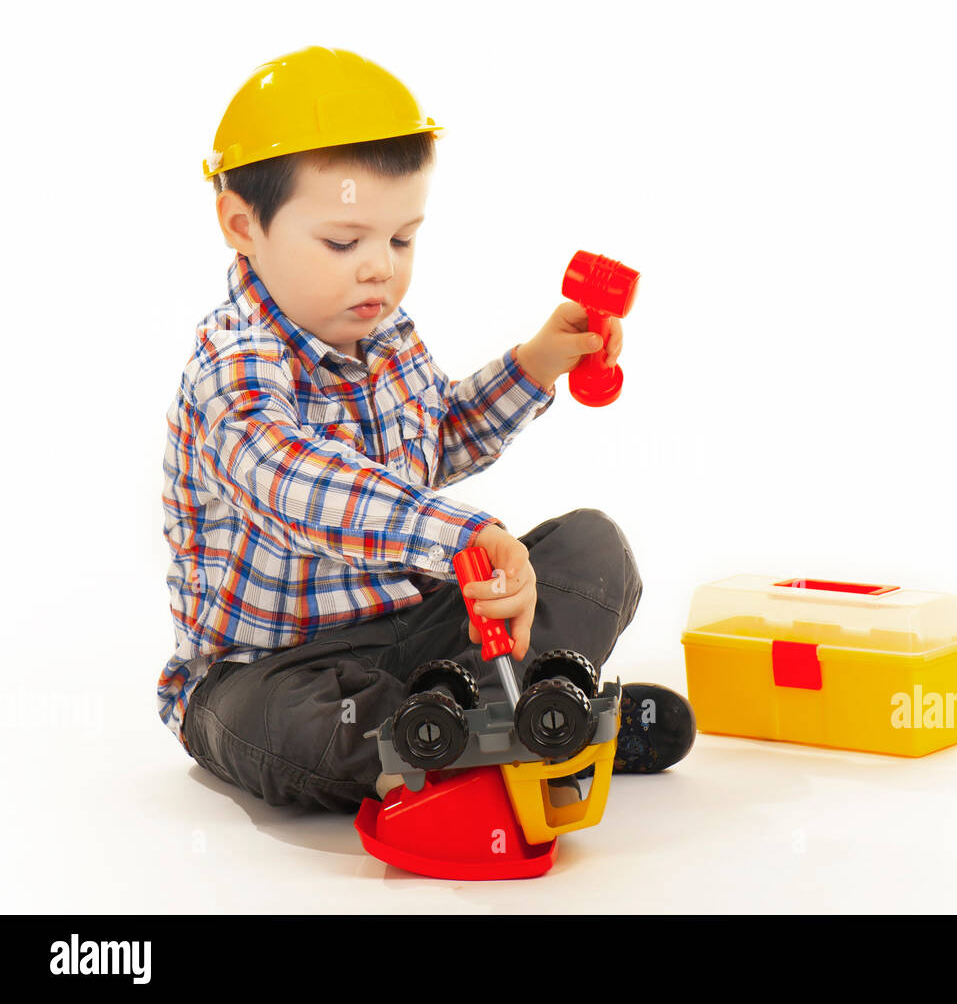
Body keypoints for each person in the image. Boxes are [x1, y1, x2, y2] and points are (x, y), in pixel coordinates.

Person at [159, 46, 695, 814]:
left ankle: (510, 716)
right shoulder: (234, 363)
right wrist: (466, 537)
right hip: (275, 670)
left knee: (592, 548)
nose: (379, 267)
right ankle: (525, 724)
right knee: (288, 726)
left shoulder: (387, 333)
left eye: (401, 239)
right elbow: (294, 484)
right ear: (243, 224)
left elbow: (434, 441)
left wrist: (538, 365)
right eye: (344, 243)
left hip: (416, 638)